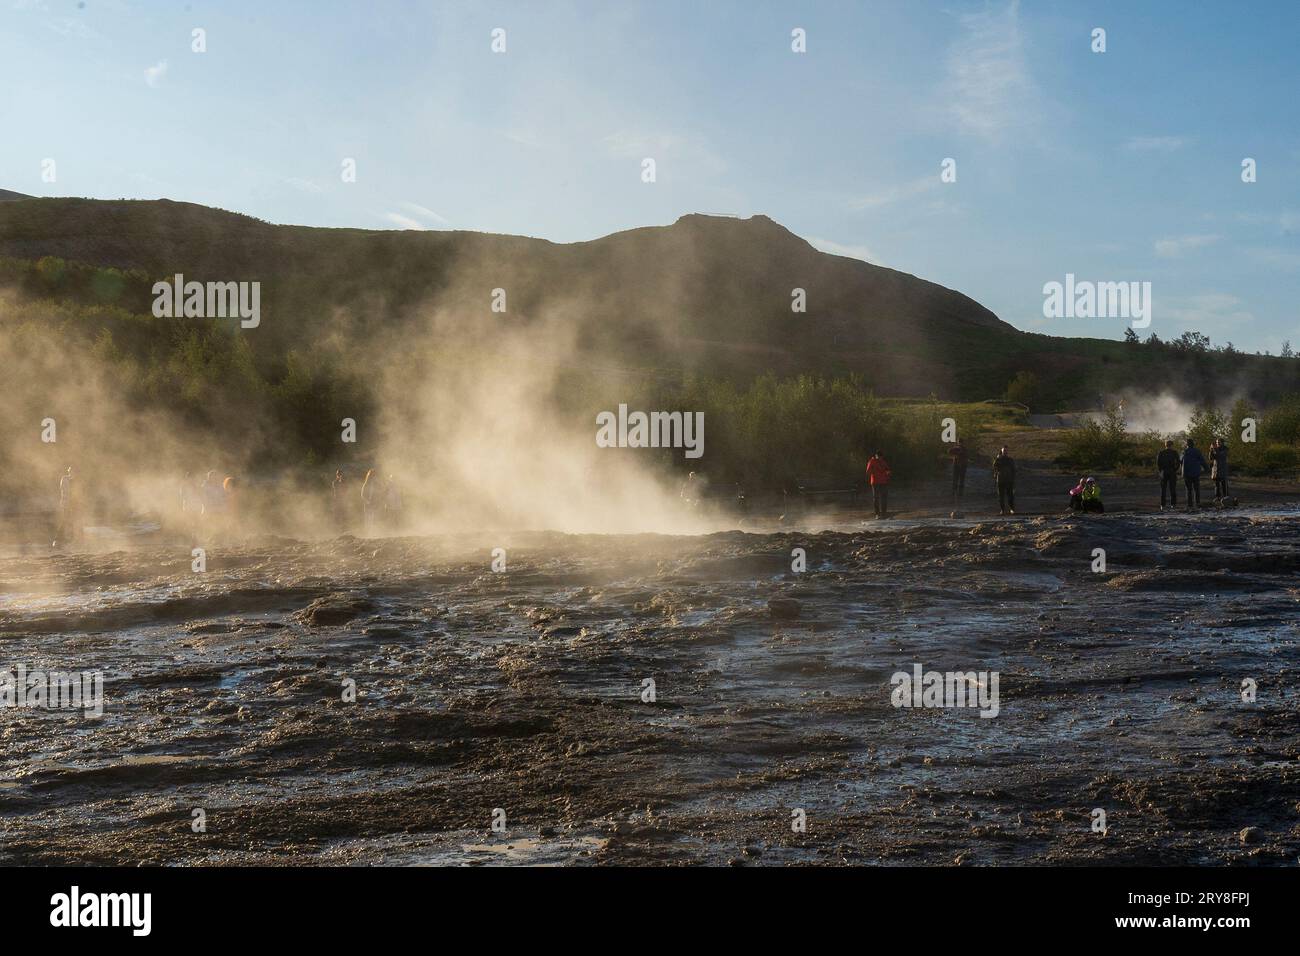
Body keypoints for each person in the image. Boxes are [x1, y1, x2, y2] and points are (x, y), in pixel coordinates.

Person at [53, 465, 79, 547]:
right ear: (69, 472)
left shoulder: (76, 481)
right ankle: (58, 540)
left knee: (75, 522)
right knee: (65, 521)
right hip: (67, 504)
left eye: (75, 472)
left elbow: (78, 494)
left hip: (74, 504)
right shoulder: (65, 479)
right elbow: (66, 492)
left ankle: (73, 540)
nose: (73, 473)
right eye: (71, 471)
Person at [1181, 438, 1207, 510]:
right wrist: (1207, 469)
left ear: (1187, 444)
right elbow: (1202, 461)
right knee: (1196, 489)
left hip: (1186, 473)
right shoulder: (1197, 451)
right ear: (1193, 444)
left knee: (1188, 489)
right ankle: (1197, 503)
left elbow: (1180, 461)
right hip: (1196, 473)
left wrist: (1180, 471)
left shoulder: (1184, 452)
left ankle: (1189, 505)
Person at [865, 450, 891, 519]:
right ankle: (877, 514)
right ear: (876, 456)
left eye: (881, 457)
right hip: (875, 482)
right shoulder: (871, 461)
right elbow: (868, 471)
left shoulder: (883, 461)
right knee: (876, 498)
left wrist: (887, 475)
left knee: (884, 498)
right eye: (879, 457)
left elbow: (887, 469)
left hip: (883, 482)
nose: (880, 458)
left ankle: (884, 513)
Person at [992, 446, 1016, 515]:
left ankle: (1012, 509)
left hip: (1009, 479)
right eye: (1004, 451)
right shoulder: (998, 459)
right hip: (1000, 479)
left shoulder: (1010, 460)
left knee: (1010, 495)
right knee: (1001, 496)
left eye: (1006, 451)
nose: (1005, 452)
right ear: (1001, 452)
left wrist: (1013, 479)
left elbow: (1014, 470)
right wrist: (997, 459)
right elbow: (994, 467)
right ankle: (1002, 509)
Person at [1156, 440, 1179, 511]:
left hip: (1164, 472)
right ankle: (1173, 505)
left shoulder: (1161, 452)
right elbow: (1178, 462)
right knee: (1173, 489)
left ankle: (1163, 505)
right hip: (1172, 472)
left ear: (1165, 445)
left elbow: (1158, 463)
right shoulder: (1174, 452)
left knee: (1163, 490)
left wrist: (1161, 471)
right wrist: (1175, 469)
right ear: (1172, 445)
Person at [1210, 438, 1230, 504]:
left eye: (1219, 442)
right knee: (1216, 485)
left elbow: (1220, 455)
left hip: (1223, 469)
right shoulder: (1215, 449)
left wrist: (1215, 449)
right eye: (1217, 442)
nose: (1217, 443)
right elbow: (1211, 458)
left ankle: (1226, 497)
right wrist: (1211, 450)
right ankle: (1217, 497)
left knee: (1224, 484)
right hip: (1216, 469)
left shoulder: (1225, 449)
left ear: (1222, 442)